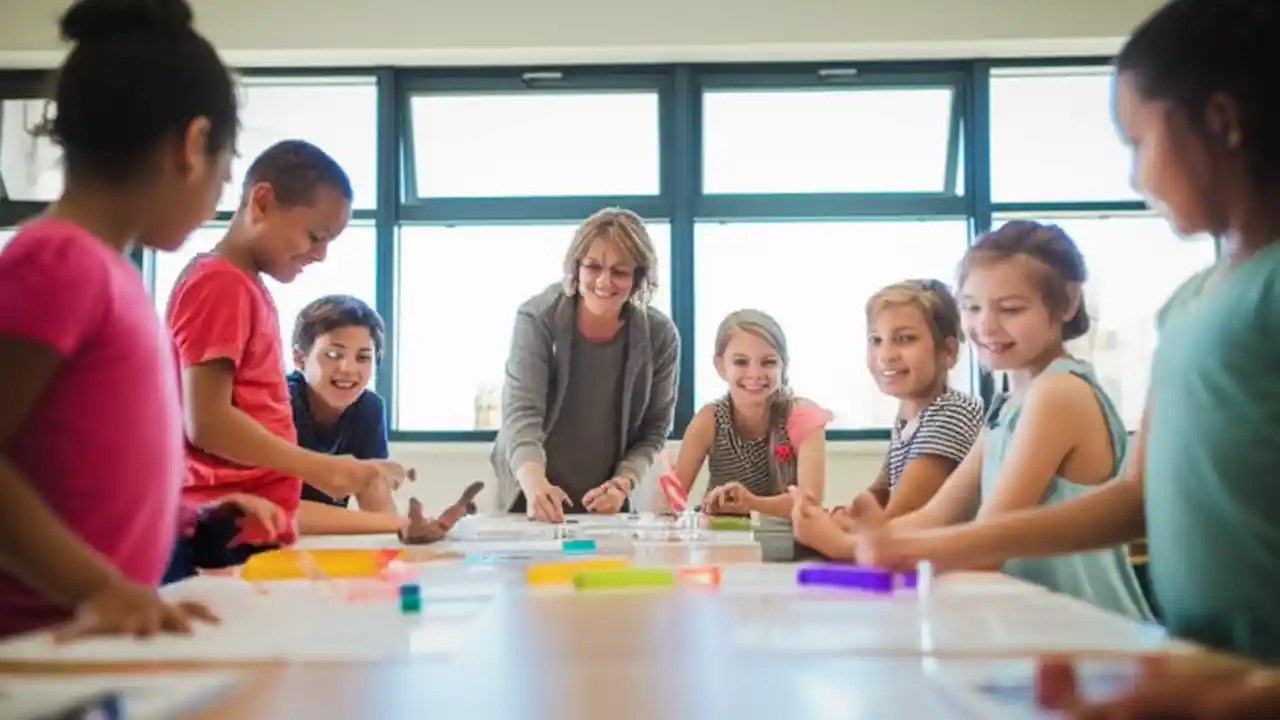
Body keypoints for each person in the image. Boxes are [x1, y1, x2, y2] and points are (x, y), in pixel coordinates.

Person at [840, 0, 1280, 666]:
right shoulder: (1187, 304)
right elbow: (1135, 496)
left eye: (1139, 143)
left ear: (1219, 123)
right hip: (1199, 668)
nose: (1134, 177)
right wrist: (923, 546)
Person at [0, 0, 240, 638]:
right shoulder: (59, 260)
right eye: (227, 167)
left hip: (84, 642)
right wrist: (100, 589)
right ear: (193, 146)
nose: (219, 195)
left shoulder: (109, 272)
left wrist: (190, 514)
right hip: (35, 650)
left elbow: (74, 461)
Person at [793, 221, 1152, 622]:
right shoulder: (1008, 404)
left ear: (1067, 302)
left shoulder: (1058, 393)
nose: (986, 326)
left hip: (1094, 633)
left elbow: (988, 539)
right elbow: (936, 516)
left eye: (1011, 309)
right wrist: (855, 535)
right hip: (1039, 630)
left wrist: (846, 547)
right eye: (972, 307)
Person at [166, 140, 411, 574]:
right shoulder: (220, 283)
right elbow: (205, 420)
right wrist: (320, 468)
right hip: (227, 530)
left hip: (259, 529)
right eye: (314, 236)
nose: (320, 254)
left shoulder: (246, 287)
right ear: (261, 202)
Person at [490, 207, 679, 522]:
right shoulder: (537, 318)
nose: (604, 282)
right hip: (530, 489)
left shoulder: (660, 336)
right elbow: (521, 413)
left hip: (606, 501)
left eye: (619, 271)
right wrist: (536, 484)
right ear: (575, 268)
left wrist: (623, 483)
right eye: (593, 267)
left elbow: (654, 429)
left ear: (638, 278)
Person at [668, 310, 832, 519]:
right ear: (720, 366)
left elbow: (810, 501)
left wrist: (752, 503)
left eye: (768, 362)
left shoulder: (803, 416)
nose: (755, 374)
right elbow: (673, 498)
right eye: (741, 362)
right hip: (722, 539)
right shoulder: (709, 420)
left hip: (787, 540)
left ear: (784, 365)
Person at [855, 279, 983, 519]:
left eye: (904, 339)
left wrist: (831, 529)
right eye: (876, 340)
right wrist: (844, 514)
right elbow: (878, 494)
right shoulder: (907, 417)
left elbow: (900, 516)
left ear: (948, 352)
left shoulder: (954, 413)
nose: (886, 355)